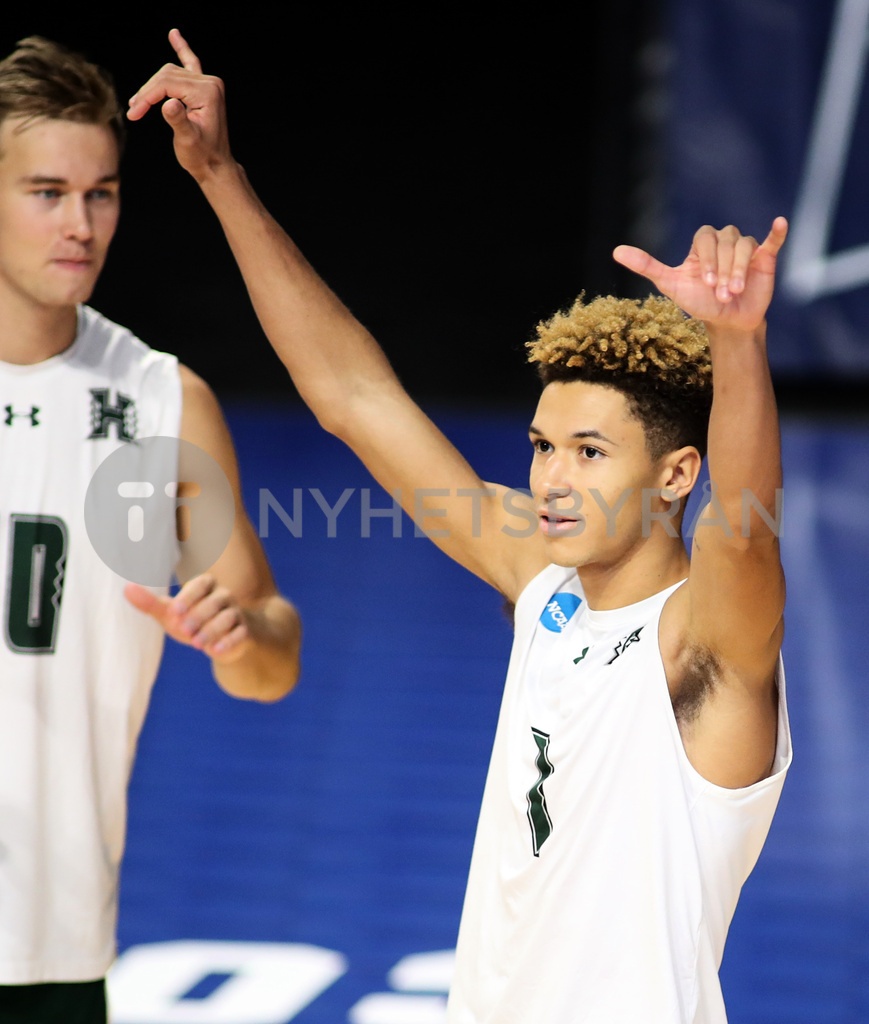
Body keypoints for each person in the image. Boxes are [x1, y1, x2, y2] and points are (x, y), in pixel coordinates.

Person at [130, 29, 792, 1023]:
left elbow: (742, 535)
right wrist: (219, 175)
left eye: (588, 451)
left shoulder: (704, 643)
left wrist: (735, 345)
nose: (551, 479)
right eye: (541, 445)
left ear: (675, 474)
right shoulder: (541, 579)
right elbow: (354, 395)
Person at [0, 34, 301, 1023]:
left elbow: (271, 658)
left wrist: (239, 633)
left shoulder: (161, 399)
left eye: (103, 193)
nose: (80, 224)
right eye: (46, 192)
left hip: (52, 935)